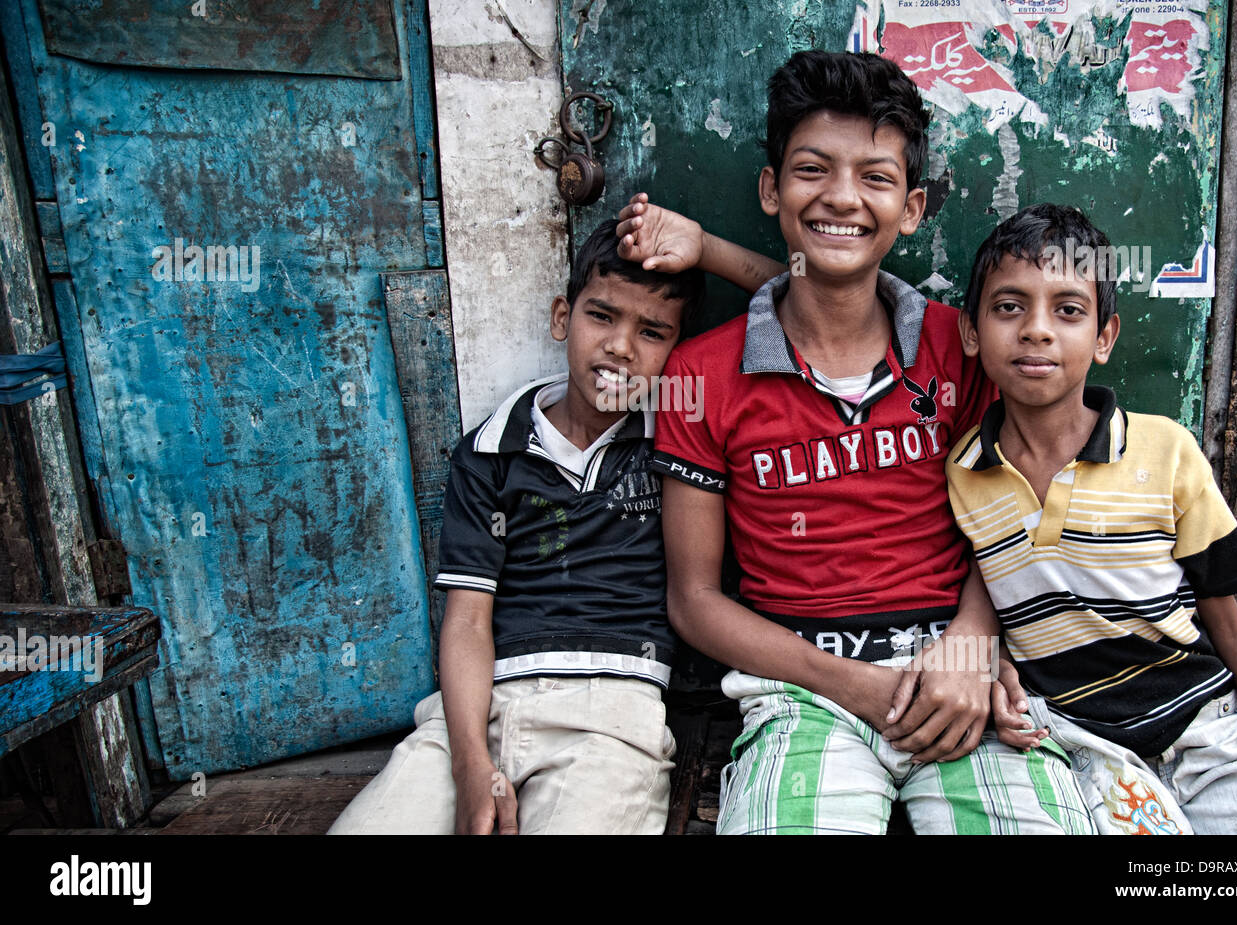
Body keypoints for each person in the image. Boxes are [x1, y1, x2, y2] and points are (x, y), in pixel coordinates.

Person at [620, 50, 1092, 834]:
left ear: (910, 209)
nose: (842, 197)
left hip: (956, 676)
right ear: (772, 189)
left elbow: (1014, 518)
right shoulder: (703, 374)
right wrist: (855, 684)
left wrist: (974, 642)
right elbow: (694, 600)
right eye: (812, 170)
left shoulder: (962, 346)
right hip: (798, 691)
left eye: (874, 177)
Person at [328, 219, 704, 834]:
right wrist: (471, 767)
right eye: (601, 317)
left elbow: (809, 301)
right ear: (563, 318)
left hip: (608, 719)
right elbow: (469, 617)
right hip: (481, 709)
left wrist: (709, 249)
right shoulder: (488, 452)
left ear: (678, 350)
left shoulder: (676, 446)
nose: (620, 347)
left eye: (652, 332)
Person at [947, 202, 1237, 834]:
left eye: (1068, 310)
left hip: (1205, 732)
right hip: (1078, 748)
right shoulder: (966, 473)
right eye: (1008, 307)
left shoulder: (1167, 453)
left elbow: (1231, 629)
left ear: (1105, 338)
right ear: (971, 333)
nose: (1036, 330)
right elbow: (993, 587)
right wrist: (997, 672)